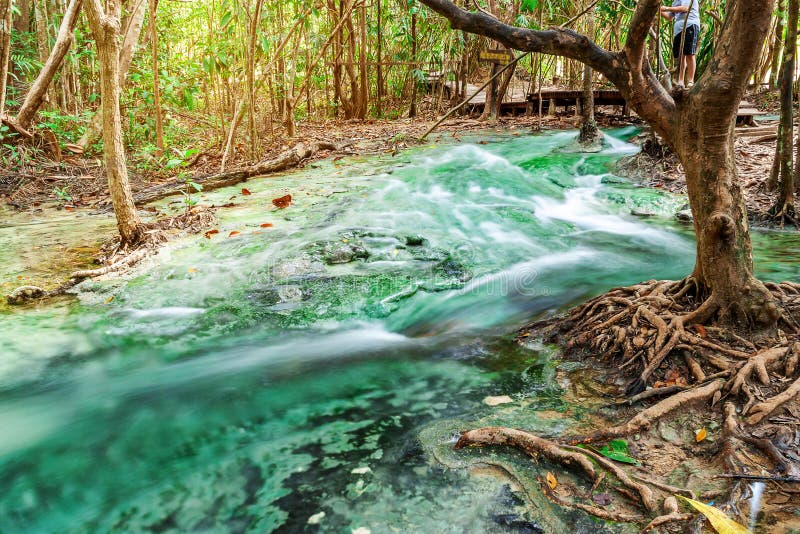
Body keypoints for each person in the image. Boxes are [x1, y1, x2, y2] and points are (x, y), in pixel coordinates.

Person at [660, 0, 701, 87]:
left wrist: (666, 8)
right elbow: (669, 17)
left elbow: (685, 8)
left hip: (690, 24)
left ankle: (691, 80)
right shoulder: (675, 1)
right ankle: (680, 81)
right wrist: (659, 10)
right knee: (680, 56)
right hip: (678, 29)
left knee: (689, 53)